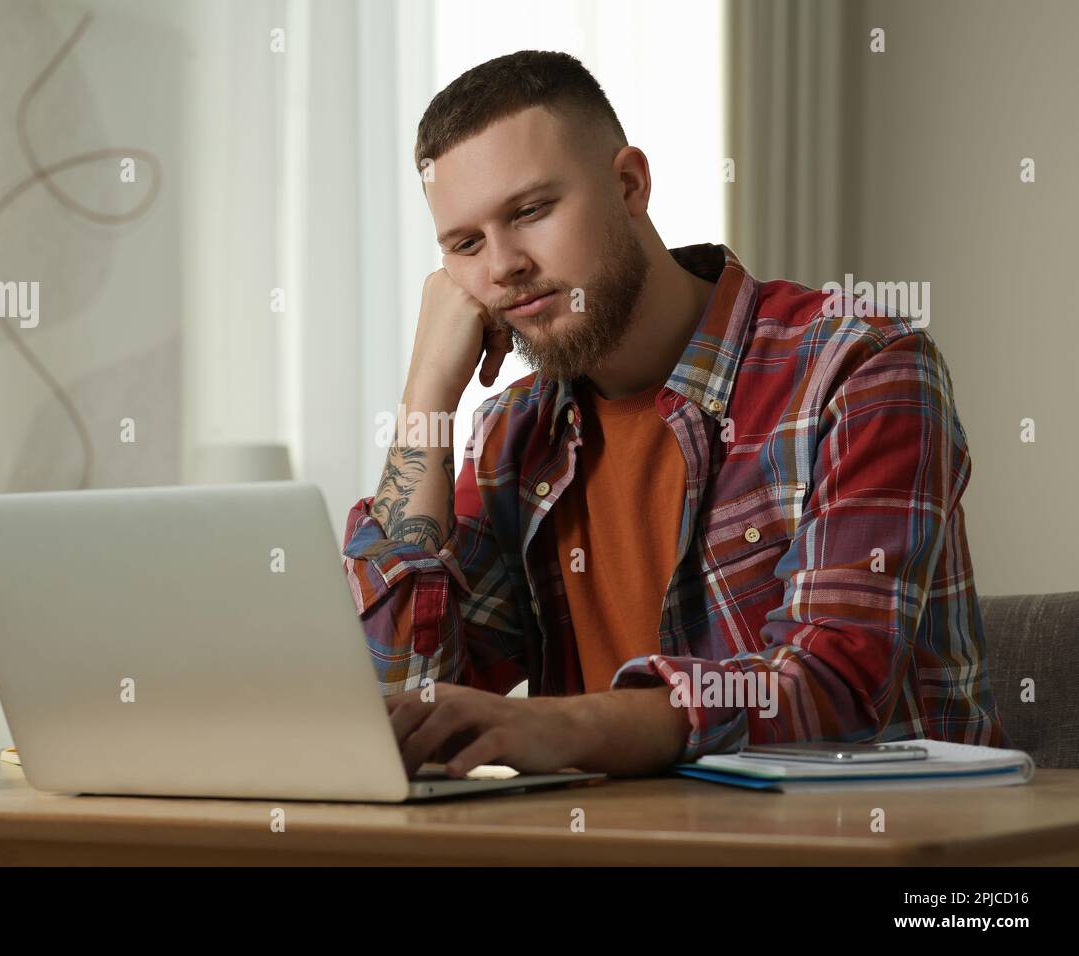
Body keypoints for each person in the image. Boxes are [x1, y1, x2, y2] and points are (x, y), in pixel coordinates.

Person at [342, 49, 1009, 779]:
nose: (502, 267)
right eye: (466, 244)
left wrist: (557, 726)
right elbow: (403, 706)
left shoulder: (857, 367)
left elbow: (834, 687)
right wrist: (426, 399)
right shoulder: (513, 435)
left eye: (531, 211)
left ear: (629, 184)